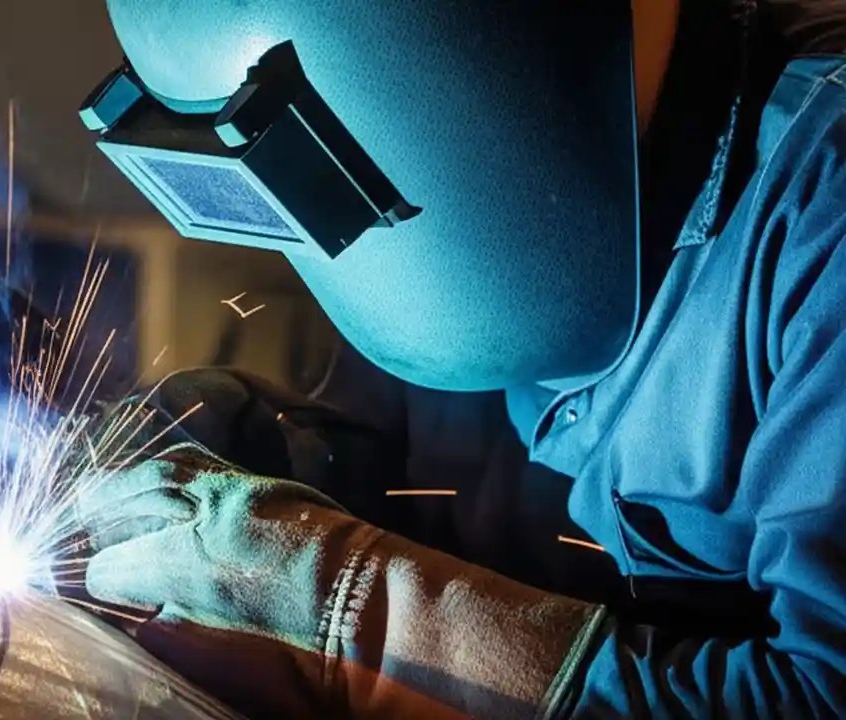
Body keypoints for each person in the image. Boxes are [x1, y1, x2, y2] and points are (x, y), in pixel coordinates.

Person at [73, 1, 846, 717]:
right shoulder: (442, 233)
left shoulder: (823, 207)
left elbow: (824, 699)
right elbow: (429, 481)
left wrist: (356, 611)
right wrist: (279, 460)